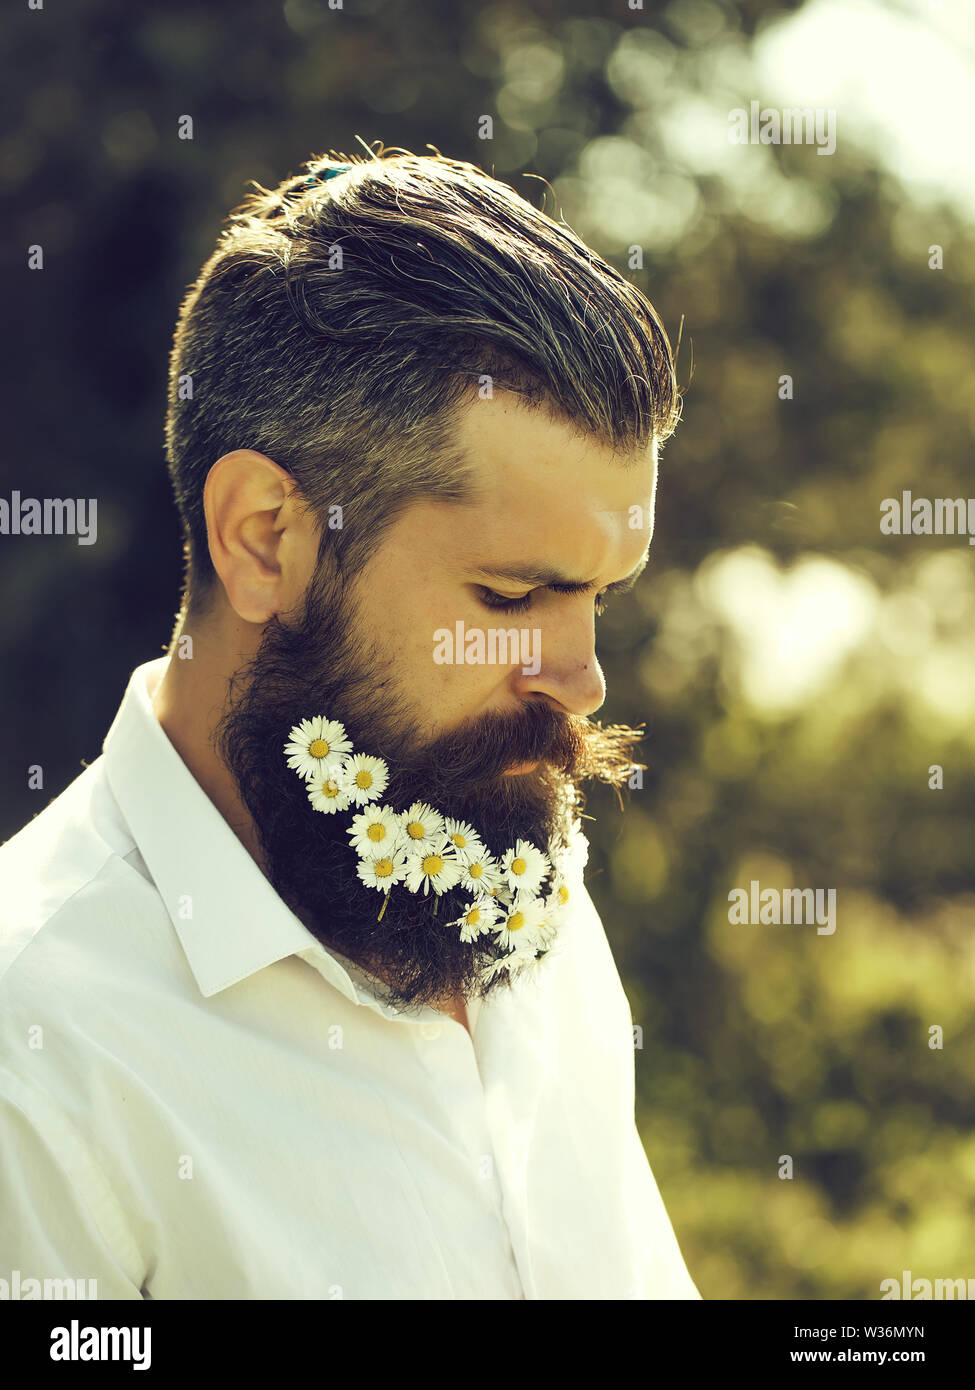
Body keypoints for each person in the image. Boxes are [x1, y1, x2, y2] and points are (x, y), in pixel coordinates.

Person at [0, 146, 700, 1299]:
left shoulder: (529, 891)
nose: (582, 681)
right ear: (266, 536)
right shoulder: (42, 1053)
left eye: (599, 598)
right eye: (513, 598)